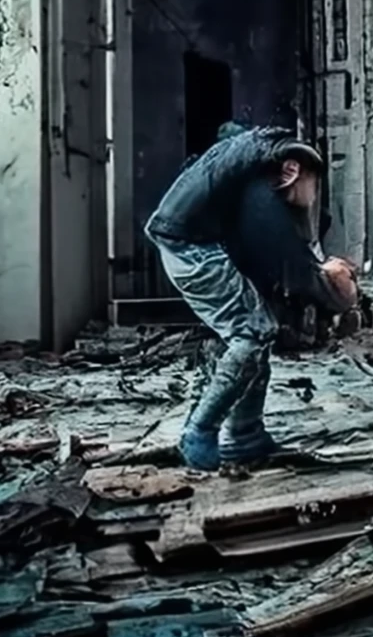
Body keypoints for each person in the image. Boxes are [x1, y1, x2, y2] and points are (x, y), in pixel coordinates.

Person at [145, 125, 358, 470]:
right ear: (292, 171)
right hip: (192, 248)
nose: (314, 195)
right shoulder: (262, 195)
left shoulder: (248, 172)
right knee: (253, 332)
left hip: (192, 241)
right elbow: (292, 263)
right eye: (313, 184)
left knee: (258, 331)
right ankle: (199, 432)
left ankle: (245, 435)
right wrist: (336, 293)